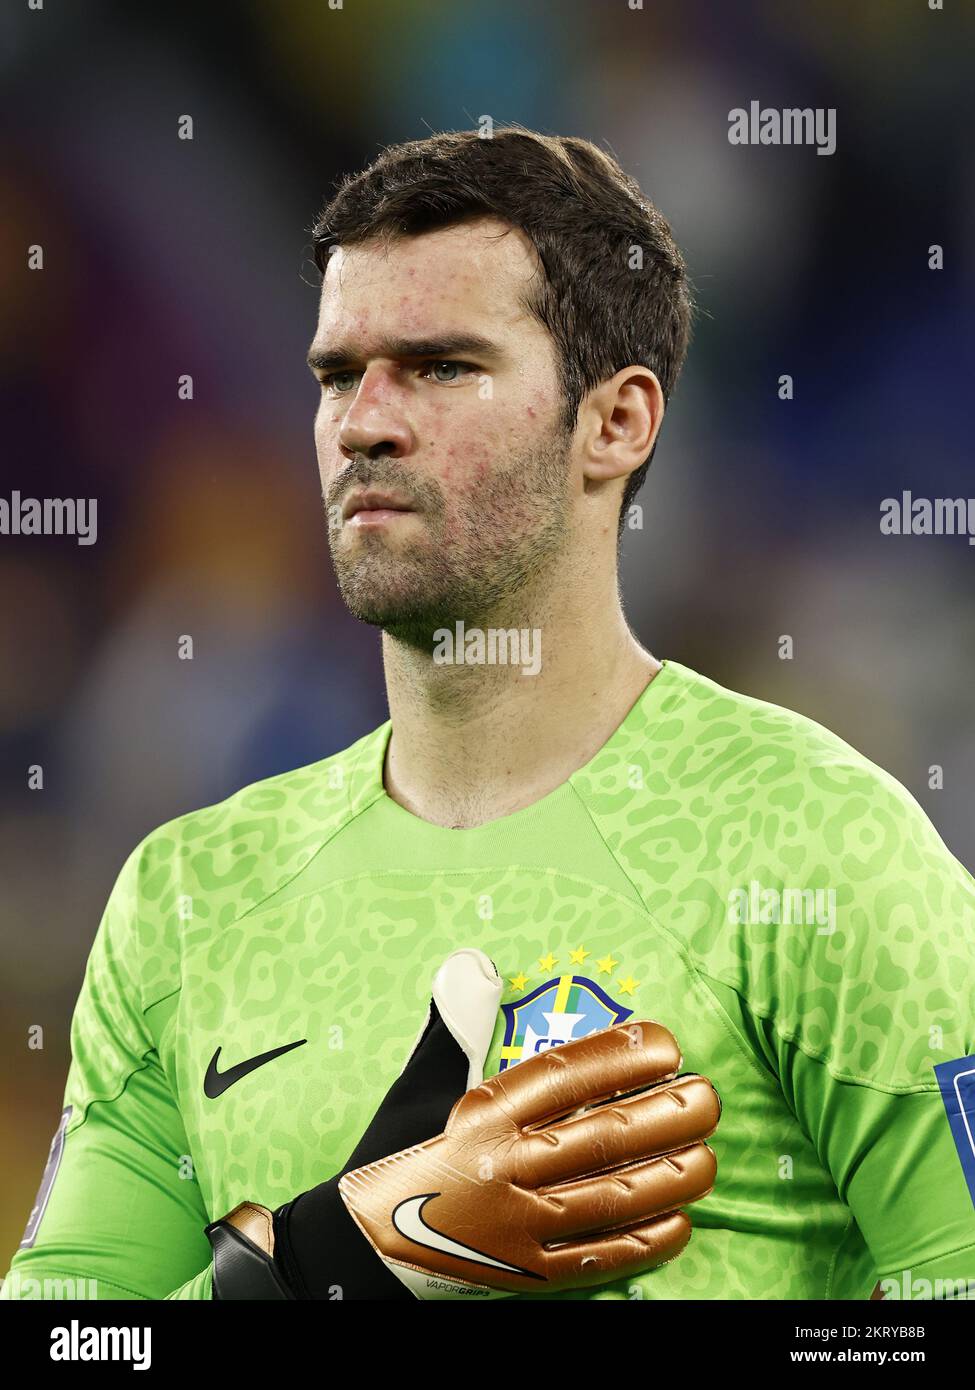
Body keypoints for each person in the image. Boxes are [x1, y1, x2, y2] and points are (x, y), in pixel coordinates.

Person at [4, 127, 974, 1302]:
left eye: (442, 367)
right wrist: (345, 1262)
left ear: (615, 424)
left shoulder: (823, 853)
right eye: (336, 374)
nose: (365, 421)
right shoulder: (188, 898)